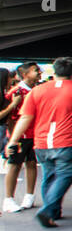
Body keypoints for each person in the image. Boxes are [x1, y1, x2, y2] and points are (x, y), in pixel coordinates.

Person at [5, 57, 72, 228]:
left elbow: (25, 117)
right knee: (65, 174)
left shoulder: (37, 91)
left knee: (49, 176)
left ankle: (53, 211)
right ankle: (48, 210)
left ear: (54, 71)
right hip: (67, 142)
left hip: (41, 143)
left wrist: (12, 140)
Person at [2, 63, 40, 213]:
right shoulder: (16, 92)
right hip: (20, 136)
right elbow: (11, 118)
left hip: (34, 134)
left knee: (31, 163)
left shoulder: (37, 90)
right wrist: (13, 138)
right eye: (36, 71)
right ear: (25, 74)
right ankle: (8, 199)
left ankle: (29, 196)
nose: (40, 73)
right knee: (14, 165)